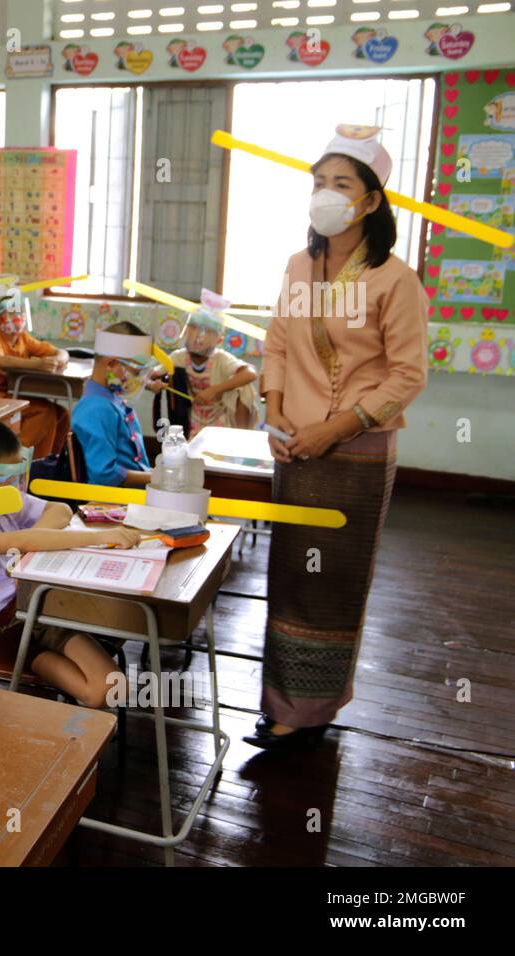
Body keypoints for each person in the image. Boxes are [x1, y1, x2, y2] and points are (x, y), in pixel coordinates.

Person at [248, 124, 428, 750]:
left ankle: (311, 709)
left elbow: (408, 376)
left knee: (332, 584)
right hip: (294, 446)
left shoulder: (393, 280)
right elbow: (275, 342)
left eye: (341, 184)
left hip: (354, 455)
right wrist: (273, 414)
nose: (325, 194)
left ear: (372, 200)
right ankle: (279, 701)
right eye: (319, 182)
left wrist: (335, 428)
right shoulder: (300, 264)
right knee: (290, 575)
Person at [0, 417, 137, 707]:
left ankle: (54, 653)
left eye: (20, 475)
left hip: (44, 597)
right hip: (16, 618)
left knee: (123, 611)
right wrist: (94, 538)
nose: (18, 488)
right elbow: (25, 542)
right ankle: (30, 658)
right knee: (107, 688)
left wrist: (31, 544)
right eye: (9, 480)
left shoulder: (0, 498)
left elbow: (60, 510)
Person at [148, 290, 260, 437]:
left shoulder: (221, 359)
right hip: (191, 417)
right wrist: (152, 385)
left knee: (244, 388)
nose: (198, 337)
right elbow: (150, 376)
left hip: (220, 418)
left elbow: (250, 373)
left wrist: (214, 390)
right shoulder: (179, 357)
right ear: (186, 331)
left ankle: (242, 439)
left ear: (218, 340)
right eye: (193, 328)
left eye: (207, 331)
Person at [0, 289, 70, 459]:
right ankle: (17, 458)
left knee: (62, 413)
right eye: (11, 315)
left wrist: (61, 357)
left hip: (17, 393)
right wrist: (37, 364)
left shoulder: (23, 338)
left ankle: (53, 459)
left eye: (20, 314)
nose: (18, 319)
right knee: (45, 412)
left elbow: (55, 351)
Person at [71, 321, 155, 486]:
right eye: (136, 372)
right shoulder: (96, 410)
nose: (140, 380)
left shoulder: (111, 400)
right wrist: (156, 479)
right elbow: (105, 475)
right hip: (116, 502)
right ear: (111, 364)